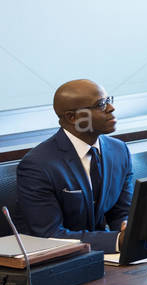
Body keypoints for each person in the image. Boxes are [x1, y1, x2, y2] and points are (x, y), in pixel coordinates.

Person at [14, 79, 134, 253]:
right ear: (73, 117)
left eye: (109, 100)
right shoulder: (37, 165)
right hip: (58, 263)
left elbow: (122, 212)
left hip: (106, 257)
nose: (111, 108)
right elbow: (49, 234)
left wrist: (128, 228)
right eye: (101, 104)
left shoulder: (119, 150)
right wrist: (116, 241)